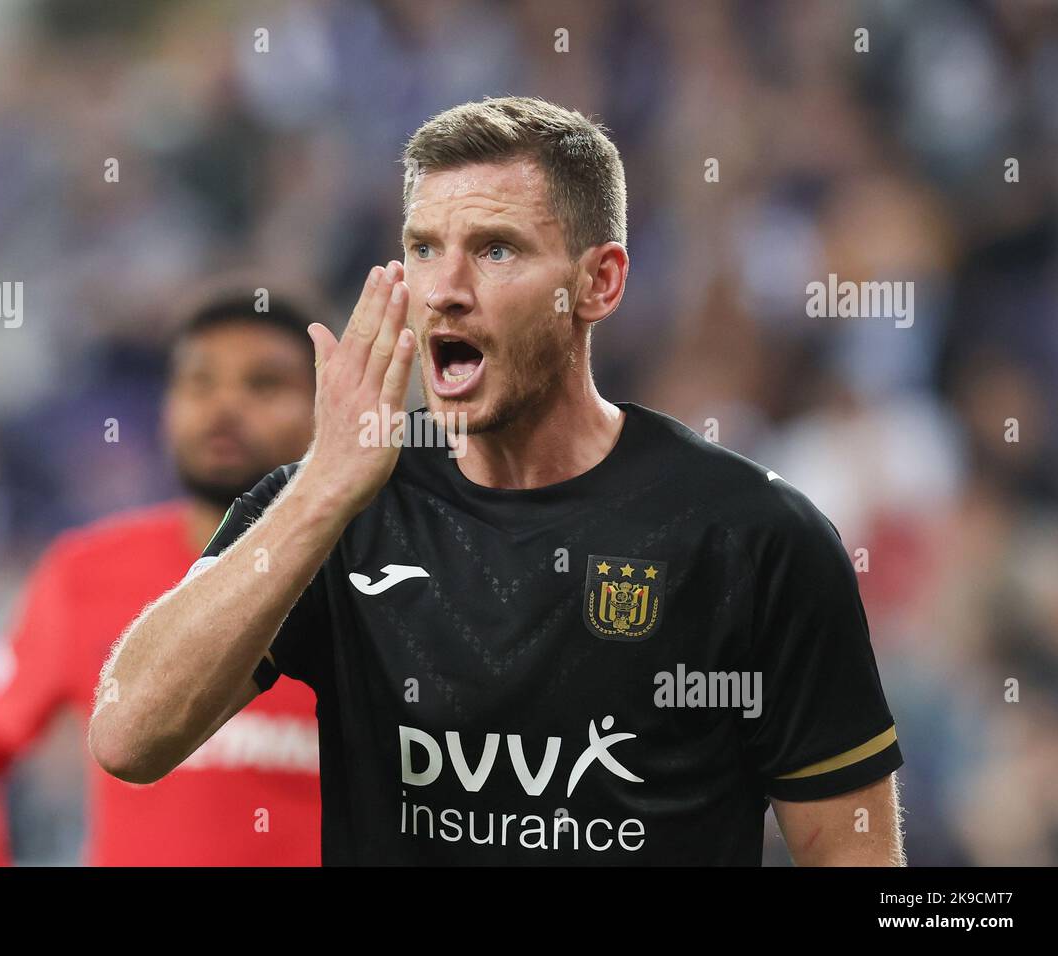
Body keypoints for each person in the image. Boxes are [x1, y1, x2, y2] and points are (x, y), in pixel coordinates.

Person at [89, 97, 906, 865]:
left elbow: (853, 852)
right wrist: (323, 492)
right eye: (421, 249)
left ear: (599, 283)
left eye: (496, 249)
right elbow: (130, 736)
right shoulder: (336, 505)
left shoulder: (754, 536)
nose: (443, 290)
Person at [0, 294, 322, 865]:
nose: (225, 406)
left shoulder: (388, 581)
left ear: (330, 413)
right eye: (198, 383)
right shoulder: (85, 573)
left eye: (264, 384)